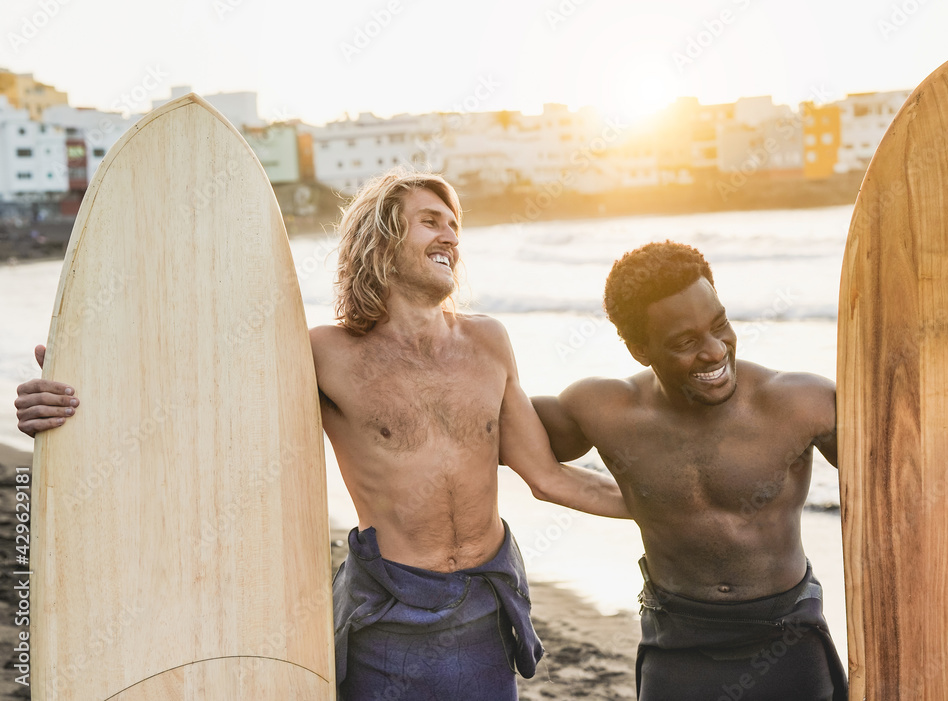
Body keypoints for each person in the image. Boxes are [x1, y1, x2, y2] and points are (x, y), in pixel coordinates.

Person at [14, 169, 630, 700]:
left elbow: (548, 477)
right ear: (384, 241)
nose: (450, 237)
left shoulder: (489, 341)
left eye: (454, 227)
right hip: (390, 615)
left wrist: (662, 508)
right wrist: (78, 396)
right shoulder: (324, 355)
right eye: (430, 222)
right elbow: (196, 410)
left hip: (487, 610)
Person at [531, 240, 848, 701]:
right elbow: (480, 425)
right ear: (639, 349)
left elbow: (902, 477)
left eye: (720, 325)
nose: (715, 350)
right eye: (685, 342)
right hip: (676, 647)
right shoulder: (603, 409)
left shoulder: (803, 402)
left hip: (789, 644)